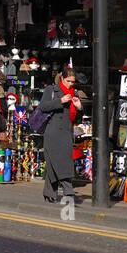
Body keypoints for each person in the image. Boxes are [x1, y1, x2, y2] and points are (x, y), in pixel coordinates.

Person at [39, 67, 82, 203]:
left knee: (54, 162)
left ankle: (49, 193)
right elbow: (43, 107)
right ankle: (68, 190)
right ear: (62, 79)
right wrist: (61, 101)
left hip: (67, 131)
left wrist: (79, 107)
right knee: (61, 161)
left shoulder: (74, 93)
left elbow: (77, 116)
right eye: (68, 81)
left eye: (73, 82)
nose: (71, 84)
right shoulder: (51, 90)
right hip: (53, 130)